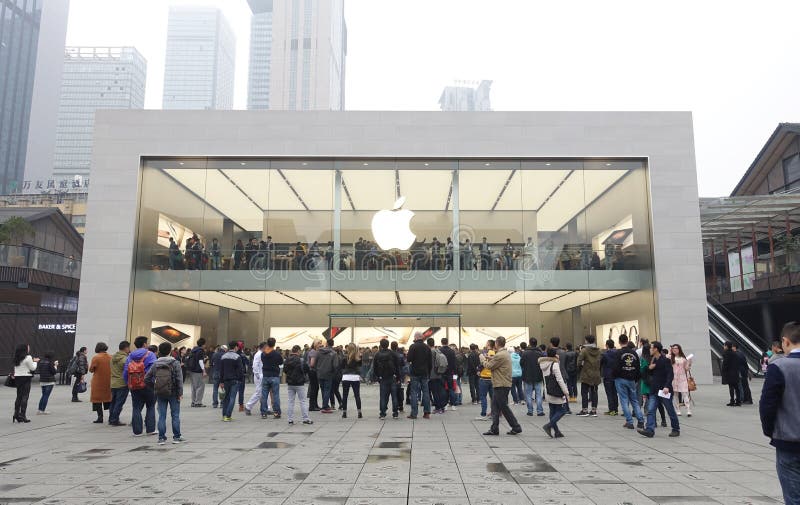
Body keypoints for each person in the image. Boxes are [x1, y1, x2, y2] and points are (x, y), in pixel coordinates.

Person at [759, 321, 800, 504]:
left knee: (793, 496)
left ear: (785, 341)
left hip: (789, 440)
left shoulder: (779, 367)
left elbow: (767, 405)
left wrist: (770, 430)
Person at [144, 341, 184, 445]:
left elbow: (147, 378)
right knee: (175, 415)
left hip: (160, 392)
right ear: (170, 351)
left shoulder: (156, 363)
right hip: (174, 392)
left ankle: (161, 438)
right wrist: (180, 393)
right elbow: (179, 379)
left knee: (162, 415)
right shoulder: (175, 362)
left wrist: (155, 387)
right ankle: (176, 437)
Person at [638, 342, 680, 438]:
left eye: (651, 348)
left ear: (656, 349)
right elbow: (646, 373)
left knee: (670, 410)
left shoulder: (665, 360)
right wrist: (649, 368)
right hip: (654, 389)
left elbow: (670, 374)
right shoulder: (652, 360)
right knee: (651, 410)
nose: (650, 350)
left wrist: (666, 386)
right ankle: (649, 430)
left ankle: (676, 429)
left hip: (664, 390)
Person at [483, 336, 522, 436]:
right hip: (502, 383)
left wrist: (483, 359)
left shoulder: (500, 355)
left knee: (503, 407)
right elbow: (498, 361)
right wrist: (491, 358)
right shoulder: (505, 353)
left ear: (496, 343)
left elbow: (489, 366)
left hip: (501, 384)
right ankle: (494, 428)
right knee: (495, 406)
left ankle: (516, 426)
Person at [124, 336, 157, 436]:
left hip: (134, 385)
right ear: (144, 344)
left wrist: (128, 383)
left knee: (136, 407)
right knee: (150, 406)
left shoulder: (130, 356)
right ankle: (150, 430)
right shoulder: (150, 354)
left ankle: (137, 431)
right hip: (148, 384)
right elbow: (155, 369)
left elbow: (126, 371)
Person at [614, 334, 645, 430]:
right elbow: (637, 367)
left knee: (624, 400)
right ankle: (640, 420)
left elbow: (615, 367)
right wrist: (635, 378)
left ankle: (629, 421)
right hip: (631, 379)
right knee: (634, 400)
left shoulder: (618, 353)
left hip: (621, 378)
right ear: (627, 341)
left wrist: (615, 376)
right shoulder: (634, 353)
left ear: (619, 342)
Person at [540, 347, 569, 438]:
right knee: (563, 410)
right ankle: (549, 425)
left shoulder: (543, 363)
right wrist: (566, 391)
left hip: (548, 390)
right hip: (556, 391)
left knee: (552, 411)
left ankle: (557, 432)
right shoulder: (554, 364)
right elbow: (559, 379)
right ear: (555, 355)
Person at [284, 345, 313, 425]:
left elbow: (285, 370)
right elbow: (307, 369)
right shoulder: (301, 360)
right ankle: (305, 418)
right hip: (300, 383)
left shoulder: (287, 359)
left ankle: (290, 419)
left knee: (290, 401)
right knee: (303, 401)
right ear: (298, 351)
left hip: (290, 383)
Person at [406, 331, 432, 419]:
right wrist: (428, 372)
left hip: (415, 373)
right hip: (424, 373)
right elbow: (430, 362)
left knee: (414, 392)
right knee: (426, 392)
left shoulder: (413, 346)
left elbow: (409, 359)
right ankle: (427, 412)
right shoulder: (427, 347)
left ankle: (414, 413)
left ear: (416, 337)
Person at [373, 339, 400, 419]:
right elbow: (397, 366)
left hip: (383, 377)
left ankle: (382, 413)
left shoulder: (377, 354)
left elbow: (375, 367)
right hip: (392, 377)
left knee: (383, 396)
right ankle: (395, 413)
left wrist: (378, 376)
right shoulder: (393, 353)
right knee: (394, 396)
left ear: (380, 345)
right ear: (388, 345)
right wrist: (398, 376)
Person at [576, 335, 602, 417]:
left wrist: (582, 365)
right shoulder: (599, 350)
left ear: (587, 341)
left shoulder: (584, 350)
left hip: (586, 374)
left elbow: (579, 362)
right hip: (596, 374)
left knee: (584, 392)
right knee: (594, 392)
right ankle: (593, 410)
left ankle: (585, 410)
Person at [11, 344, 37, 423]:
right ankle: (23, 415)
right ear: (25, 349)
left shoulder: (16, 357)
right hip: (26, 377)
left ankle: (16, 414)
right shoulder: (28, 357)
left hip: (18, 378)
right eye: (28, 347)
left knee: (19, 396)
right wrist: (35, 362)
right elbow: (33, 368)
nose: (29, 348)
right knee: (25, 396)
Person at [220, 341, 244, 422]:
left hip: (226, 380)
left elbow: (221, 370)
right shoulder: (237, 357)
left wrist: (221, 381)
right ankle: (228, 415)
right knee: (232, 397)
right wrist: (240, 379)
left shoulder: (223, 356)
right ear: (236, 347)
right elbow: (240, 370)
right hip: (235, 380)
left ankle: (224, 415)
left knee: (226, 398)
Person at [89, 342, 112, 424]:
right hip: (108, 381)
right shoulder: (111, 357)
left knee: (97, 400)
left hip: (98, 382)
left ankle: (100, 417)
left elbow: (91, 369)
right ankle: (111, 417)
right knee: (108, 399)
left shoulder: (96, 358)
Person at [260, 338, 283, 419]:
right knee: (275, 395)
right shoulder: (276, 354)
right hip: (274, 376)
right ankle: (276, 412)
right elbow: (281, 362)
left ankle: (264, 413)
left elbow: (262, 361)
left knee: (264, 395)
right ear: (274, 344)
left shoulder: (263, 353)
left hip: (265, 376)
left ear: (267, 343)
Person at [313, 339, 338, 414]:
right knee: (327, 390)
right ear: (333, 344)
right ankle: (325, 406)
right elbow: (335, 365)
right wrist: (334, 372)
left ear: (326, 343)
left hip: (320, 373)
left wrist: (317, 369)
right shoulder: (334, 353)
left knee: (323, 389)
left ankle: (325, 404)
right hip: (329, 373)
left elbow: (315, 362)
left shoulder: (319, 352)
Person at [521, 338, 545, 417]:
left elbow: (521, 363)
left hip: (527, 376)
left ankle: (530, 411)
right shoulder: (540, 353)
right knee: (538, 394)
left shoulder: (525, 353)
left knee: (528, 394)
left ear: (530, 343)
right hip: (538, 376)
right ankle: (539, 411)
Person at [108, 341, 130, 426]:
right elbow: (128, 371)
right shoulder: (125, 359)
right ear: (126, 348)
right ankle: (115, 419)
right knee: (119, 402)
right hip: (122, 383)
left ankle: (111, 418)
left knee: (113, 402)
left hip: (113, 382)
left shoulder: (112, 357)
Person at [341, 343, 363, 419]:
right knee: (357, 395)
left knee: (345, 396)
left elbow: (342, 367)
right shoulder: (358, 358)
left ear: (348, 349)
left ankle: (344, 413)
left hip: (346, 377)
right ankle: (359, 412)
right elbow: (360, 365)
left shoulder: (344, 358)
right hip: (355, 377)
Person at [670, 344, 692, 417]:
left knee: (685, 394)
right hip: (673, 378)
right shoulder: (670, 358)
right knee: (675, 395)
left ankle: (688, 409)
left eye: (676, 348)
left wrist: (689, 363)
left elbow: (686, 369)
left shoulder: (683, 358)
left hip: (682, 379)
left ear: (679, 349)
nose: (674, 350)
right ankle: (678, 410)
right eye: (673, 348)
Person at [475, 340, 495, 421]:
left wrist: (478, 370)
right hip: (493, 378)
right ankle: (493, 413)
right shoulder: (495, 353)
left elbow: (482, 363)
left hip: (484, 378)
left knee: (483, 397)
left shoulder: (484, 353)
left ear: (488, 344)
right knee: (492, 397)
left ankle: (483, 414)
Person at [245, 342, 265, 416]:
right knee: (259, 393)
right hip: (259, 375)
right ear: (263, 347)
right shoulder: (259, 354)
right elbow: (255, 365)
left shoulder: (260, 354)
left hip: (260, 375)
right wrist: (257, 375)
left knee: (262, 393)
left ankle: (265, 408)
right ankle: (248, 406)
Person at [600, 339, 619, 416]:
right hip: (616, 375)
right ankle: (616, 409)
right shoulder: (618, 353)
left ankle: (611, 409)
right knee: (615, 393)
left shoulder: (605, 354)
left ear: (607, 345)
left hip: (608, 375)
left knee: (609, 393)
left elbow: (600, 364)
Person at [186, 338, 206, 408]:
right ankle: (198, 402)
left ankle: (193, 401)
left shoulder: (193, 350)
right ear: (203, 344)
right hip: (198, 371)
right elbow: (200, 361)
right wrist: (204, 371)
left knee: (194, 386)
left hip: (192, 370)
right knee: (200, 386)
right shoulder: (200, 351)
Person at [428, 338, 446, 414]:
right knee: (440, 391)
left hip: (433, 374)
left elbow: (429, 364)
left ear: (428, 344)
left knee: (434, 392)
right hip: (439, 373)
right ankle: (442, 406)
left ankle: (438, 407)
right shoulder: (437, 350)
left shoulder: (430, 351)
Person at [439, 338, 458, 411]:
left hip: (442, 372)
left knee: (443, 389)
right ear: (447, 342)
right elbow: (454, 363)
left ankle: (445, 404)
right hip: (450, 372)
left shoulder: (440, 351)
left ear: (441, 342)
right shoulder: (452, 351)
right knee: (451, 388)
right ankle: (453, 404)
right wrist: (455, 373)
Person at [721, 341, 741, 407]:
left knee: (731, 387)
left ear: (726, 346)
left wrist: (723, 370)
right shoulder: (735, 353)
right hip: (735, 372)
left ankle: (732, 401)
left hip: (729, 373)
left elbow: (725, 364)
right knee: (737, 387)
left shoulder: (726, 353)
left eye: (724, 345)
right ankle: (738, 401)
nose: (723, 347)